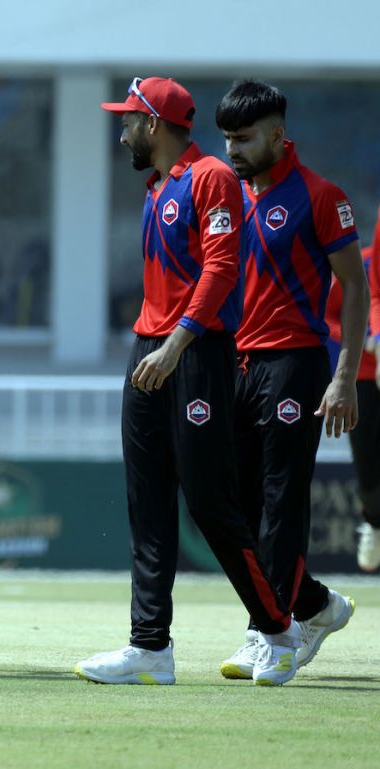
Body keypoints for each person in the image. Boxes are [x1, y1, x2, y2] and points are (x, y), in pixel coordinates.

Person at [75, 77, 300, 686]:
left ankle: (279, 631)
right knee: (146, 503)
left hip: (194, 352)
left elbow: (224, 267)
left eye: (127, 121)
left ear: (153, 124)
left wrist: (177, 344)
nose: (121, 131)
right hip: (150, 348)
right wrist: (157, 344)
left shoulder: (211, 179)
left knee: (208, 501)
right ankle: (149, 647)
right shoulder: (159, 187)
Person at [214, 80, 361, 678]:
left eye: (244, 138)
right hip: (237, 365)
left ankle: (269, 636)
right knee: (236, 508)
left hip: (296, 364)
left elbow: (356, 287)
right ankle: (316, 605)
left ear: (278, 134)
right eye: (226, 139)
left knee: (280, 505)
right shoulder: (225, 198)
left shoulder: (321, 196)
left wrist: (345, 376)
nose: (232, 150)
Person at [325, 243, 380, 572]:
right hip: (361, 375)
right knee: (368, 462)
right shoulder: (361, 261)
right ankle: (374, 523)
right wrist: (365, 339)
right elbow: (329, 315)